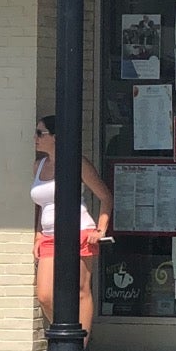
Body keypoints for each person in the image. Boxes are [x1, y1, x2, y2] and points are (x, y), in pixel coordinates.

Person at [32, 116, 114, 334]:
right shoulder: (38, 166)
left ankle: (79, 346)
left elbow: (105, 197)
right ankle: (63, 337)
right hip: (49, 236)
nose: (36, 138)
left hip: (79, 231)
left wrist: (101, 229)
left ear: (57, 137)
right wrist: (38, 234)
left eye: (41, 133)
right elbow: (40, 205)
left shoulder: (77, 163)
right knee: (45, 294)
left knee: (80, 290)